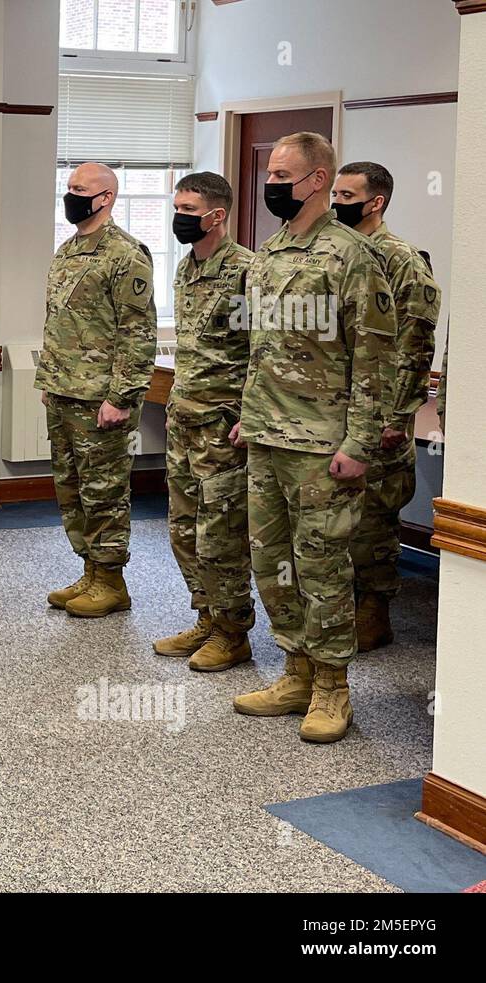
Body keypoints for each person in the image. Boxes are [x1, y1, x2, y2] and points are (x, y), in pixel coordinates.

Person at [230, 133, 398, 744]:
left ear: (319, 179)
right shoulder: (270, 253)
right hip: (269, 436)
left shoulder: (352, 256)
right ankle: (295, 671)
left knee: (322, 566)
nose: (271, 182)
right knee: (271, 562)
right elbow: (263, 347)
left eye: (283, 173)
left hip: (323, 444)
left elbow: (375, 357)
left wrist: (358, 443)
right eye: (270, 172)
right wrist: (250, 415)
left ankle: (333, 686)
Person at [37, 162, 157, 618]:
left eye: (80, 189)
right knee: (72, 488)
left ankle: (111, 581)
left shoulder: (126, 254)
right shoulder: (69, 250)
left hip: (100, 398)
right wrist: (49, 381)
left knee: (104, 490)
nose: (71, 195)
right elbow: (60, 322)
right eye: (68, 187)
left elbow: (137, 332)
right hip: (64, 390)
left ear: (106, 197)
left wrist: (121, 398)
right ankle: (89, 571)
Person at [331, 161, 442, 651]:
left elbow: (416, 345)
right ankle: (341, 608)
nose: (336, 202)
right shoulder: (339, 252)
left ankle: (373, 615)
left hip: (380, 419)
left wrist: (396, 418)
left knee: (373, 521)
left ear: (375, 203)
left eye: (347, 195)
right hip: (341, 409)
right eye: (333, 192)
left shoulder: (399, 260)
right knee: (340, 522)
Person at [154, 172, 256, 671]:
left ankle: (233, 631)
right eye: (176, 206)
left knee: (221, 532)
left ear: (217, 215)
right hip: (185, 418)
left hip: (224, 425)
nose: (179, 217)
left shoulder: (245, 272)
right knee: (183, 528)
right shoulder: (186, 269)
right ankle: (207, 616)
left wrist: (252, 415)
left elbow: (264, 350)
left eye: (188, 209)